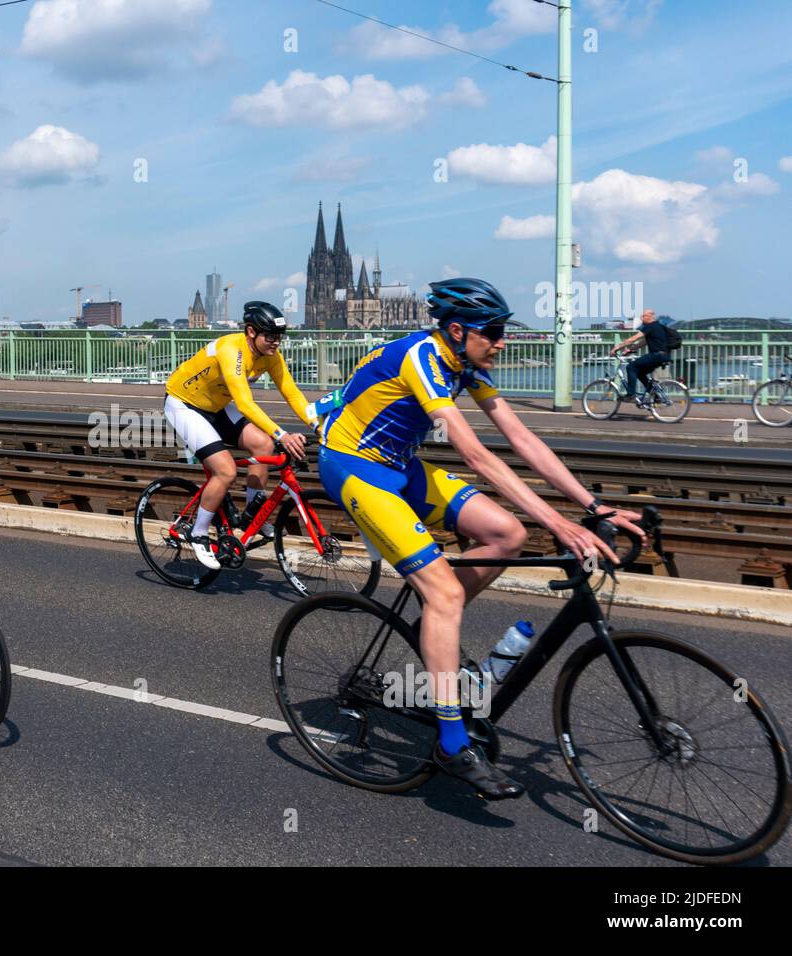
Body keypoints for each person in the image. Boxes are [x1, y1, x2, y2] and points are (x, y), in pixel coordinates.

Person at [310, 277, 644, 799]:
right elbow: (477, 456)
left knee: (507, 533)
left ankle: (434, 629)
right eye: (493, 332)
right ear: (459, 330)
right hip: (351, 468)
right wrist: (558, 524)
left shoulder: (465, 361)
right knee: (444, 593)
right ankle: (449, 743)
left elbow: (520, 437)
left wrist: (592, 506)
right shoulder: (423, 357)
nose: (502, 342)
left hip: (399, 465)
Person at [163, 301, 316, 569]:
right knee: (226, 470)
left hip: (216, 406)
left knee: (263, 445)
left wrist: (319, 426)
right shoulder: (231, 349)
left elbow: (292, 394)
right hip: (184, 405)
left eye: (279, 337)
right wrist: (283, 435)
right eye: (270, 336)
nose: (276, 343)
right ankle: (198, 533)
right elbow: (245, 404)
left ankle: (252, 515)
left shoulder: (270, 356)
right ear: (251, 332)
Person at [609, 309, 671, 406]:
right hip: (664, 356)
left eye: (643, 316)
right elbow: (644, 342)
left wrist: (617, 347)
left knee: (631, 367)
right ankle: (655, 396)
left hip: (656, 355)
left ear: (650, 316)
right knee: (640, 373)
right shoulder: (658, 326)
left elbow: (633, 339)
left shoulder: (649, 326)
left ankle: (631, 394)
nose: (642, 318)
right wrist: (630, 350)